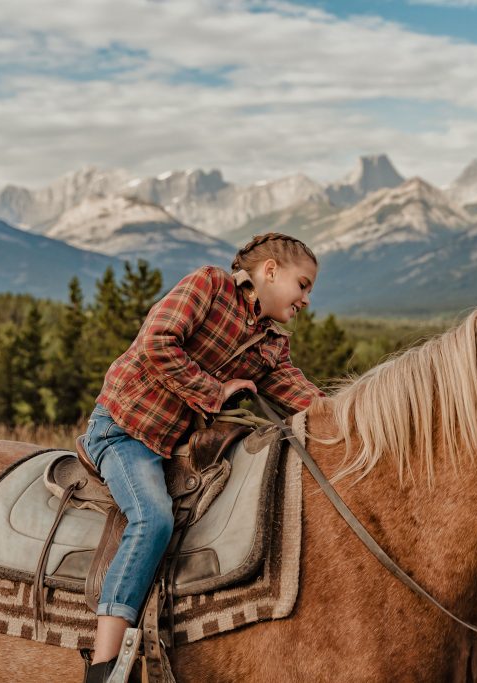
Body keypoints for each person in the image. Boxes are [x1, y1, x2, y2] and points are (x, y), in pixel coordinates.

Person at [81, 233, 323, 682]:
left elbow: (304, 397)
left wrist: (357, 415)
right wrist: (215, 391)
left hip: (175, 447)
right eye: (303, 284)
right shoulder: (208, 286)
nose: (307, 299)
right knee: (152, 519)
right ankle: (104, 665)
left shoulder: (271, 345)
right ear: (270, 271)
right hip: (125, 430)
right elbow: (157, 343)